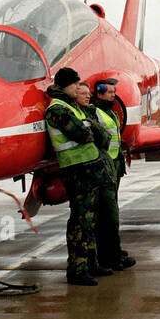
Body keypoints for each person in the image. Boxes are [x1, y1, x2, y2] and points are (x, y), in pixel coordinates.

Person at [44, 67, 114, 286]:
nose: (79, 87)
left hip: (89, 169)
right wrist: (89, 128)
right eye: (75, 84)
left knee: (90, 221)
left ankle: (91, 264)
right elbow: (83, 134)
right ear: (66, 85)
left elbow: (96, 133)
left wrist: (89, 127)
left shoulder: (72, 107)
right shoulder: (57, 109)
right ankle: (77, 269)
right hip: (76, 171)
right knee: (80, 222)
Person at [90, 78, 136, 271]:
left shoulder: (110, 113)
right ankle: (111, 258)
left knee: (112, 213)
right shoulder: (96, 113)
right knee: (107, 216)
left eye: (114, 92)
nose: (113, 96)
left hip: (113, 169)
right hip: (103, 170)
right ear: (99, 93)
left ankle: (114, 253)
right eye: (109, 93)